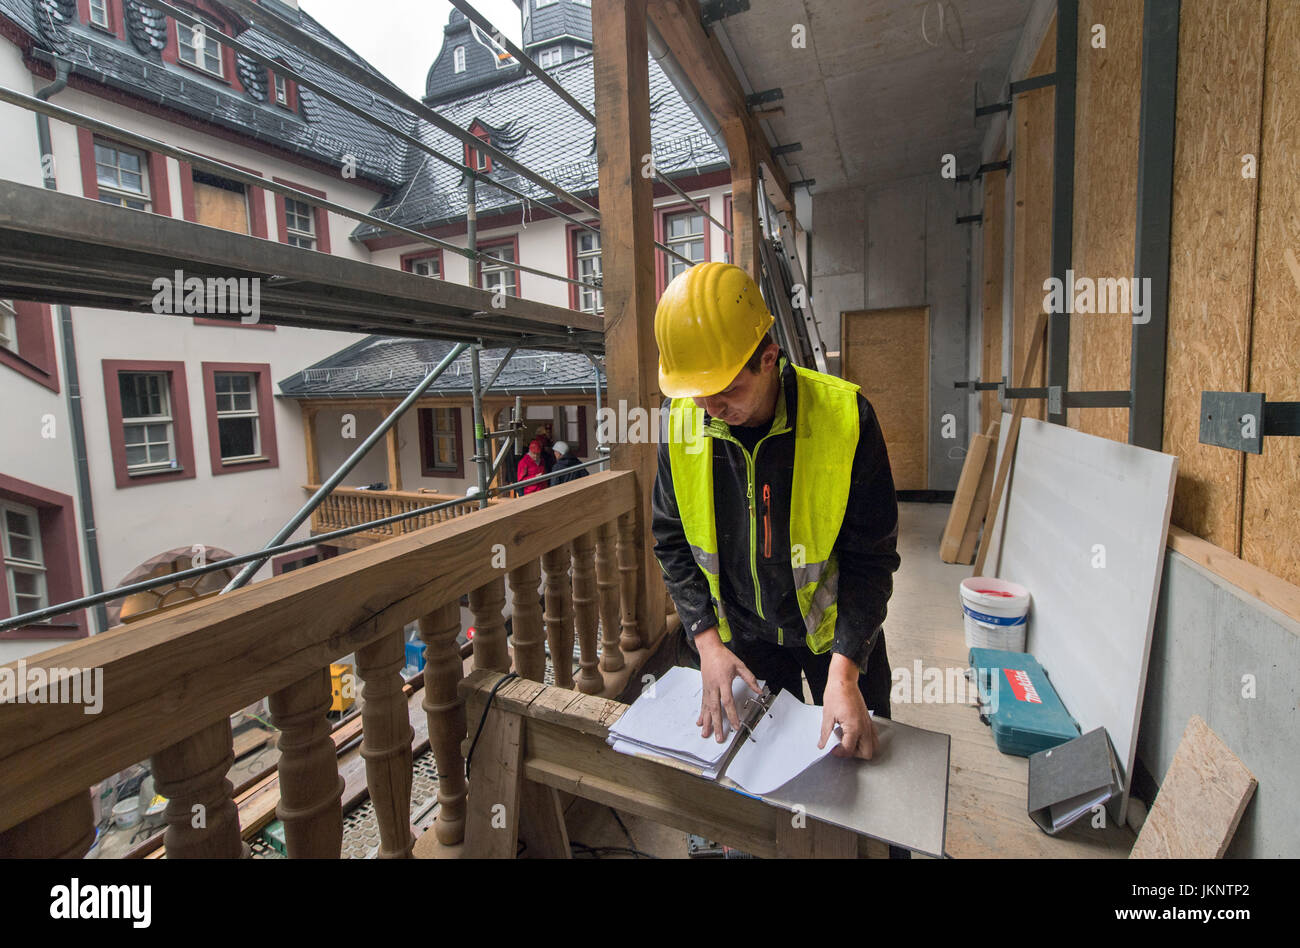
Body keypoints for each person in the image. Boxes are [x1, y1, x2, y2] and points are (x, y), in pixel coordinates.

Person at [651, 261, 901, 762]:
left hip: (838, 636)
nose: (711, 407)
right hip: (744, 638)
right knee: (761, 771)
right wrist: (707, 644)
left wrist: (846, 672)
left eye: (726, 390)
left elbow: (871, 560)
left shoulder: (846, 418)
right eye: (699, 393)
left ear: (769, 359)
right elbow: (672, 542)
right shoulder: (684, 423)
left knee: (863, 766)